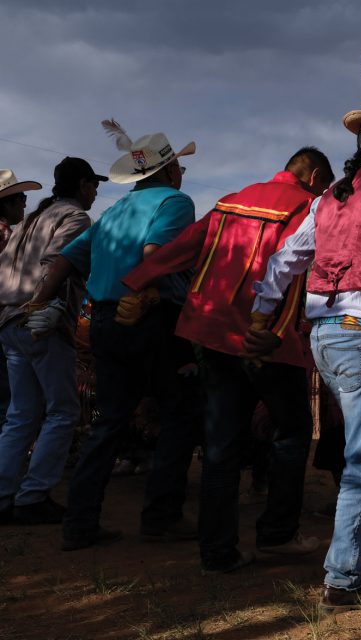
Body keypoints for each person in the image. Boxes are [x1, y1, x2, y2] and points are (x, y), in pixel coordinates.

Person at [248, 50, 361, 609]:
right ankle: (343, 576)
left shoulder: (329, 196)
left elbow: (286, 258)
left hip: (323, 334)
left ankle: (355, 559)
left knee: (357, 447)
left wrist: (262, 310)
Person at [119, 148, 333, 572]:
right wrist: (274, 329)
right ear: (315, 177)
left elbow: (182, 248)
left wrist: (137, 285)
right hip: (264, 335)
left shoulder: (229, 201)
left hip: (212, 331)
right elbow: (296, 271)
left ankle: (217, 551)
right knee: (291, 432)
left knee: (221, 444)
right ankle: (277, 533)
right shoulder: (310, 206)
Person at [26, 121, 199, 551]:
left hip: (104, 323)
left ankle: (80, 523)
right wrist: (141, 292)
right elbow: (153, 255)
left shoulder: (115, 211)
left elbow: (67, 260)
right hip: (150, 318)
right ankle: (161, 515)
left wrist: (38, 302)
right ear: (169, 169)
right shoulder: (176, 202)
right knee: (179, 414)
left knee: (109, 422)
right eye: (178, 164)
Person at [0, 159, 103, 525]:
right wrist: (41, 308)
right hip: (40, 323)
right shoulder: (74, 219)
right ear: (82, 184)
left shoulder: (30, 221)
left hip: (11, 322)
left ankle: (5, 495)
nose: (96, 192)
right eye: (93, 185)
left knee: (21, 414)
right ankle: (33, 496)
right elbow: (56, 265)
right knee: (62, 411)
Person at [0, 170, 40, 434]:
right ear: (7, 204)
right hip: (6, 318)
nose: (26, 203)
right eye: (21, 198)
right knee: (7, 397)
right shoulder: (6, 235)